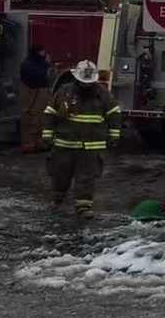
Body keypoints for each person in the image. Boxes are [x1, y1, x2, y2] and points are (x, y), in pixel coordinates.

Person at [42, 60, 121, 219]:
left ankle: (83, 207)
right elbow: (50, 112)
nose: (86, 86)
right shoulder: (64, 92)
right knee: (60, 175)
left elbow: (114, 113)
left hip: (90, 147)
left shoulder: (102, 94)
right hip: (64, 145)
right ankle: (57, 200)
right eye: (83, 82)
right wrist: (47, 134)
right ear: (76, 78)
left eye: (89, 82)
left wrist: (114, 135)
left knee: (86, 177)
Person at [19, 45, 52, 153]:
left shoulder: (29, 63)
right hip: (33, 93)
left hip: (38, 92)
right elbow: (40, 76)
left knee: (41, 118)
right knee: (31, 118)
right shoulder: (29, 65)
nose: (44, 54)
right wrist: (46, 64)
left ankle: (39, 142)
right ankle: (29, 144)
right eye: (42, 52)